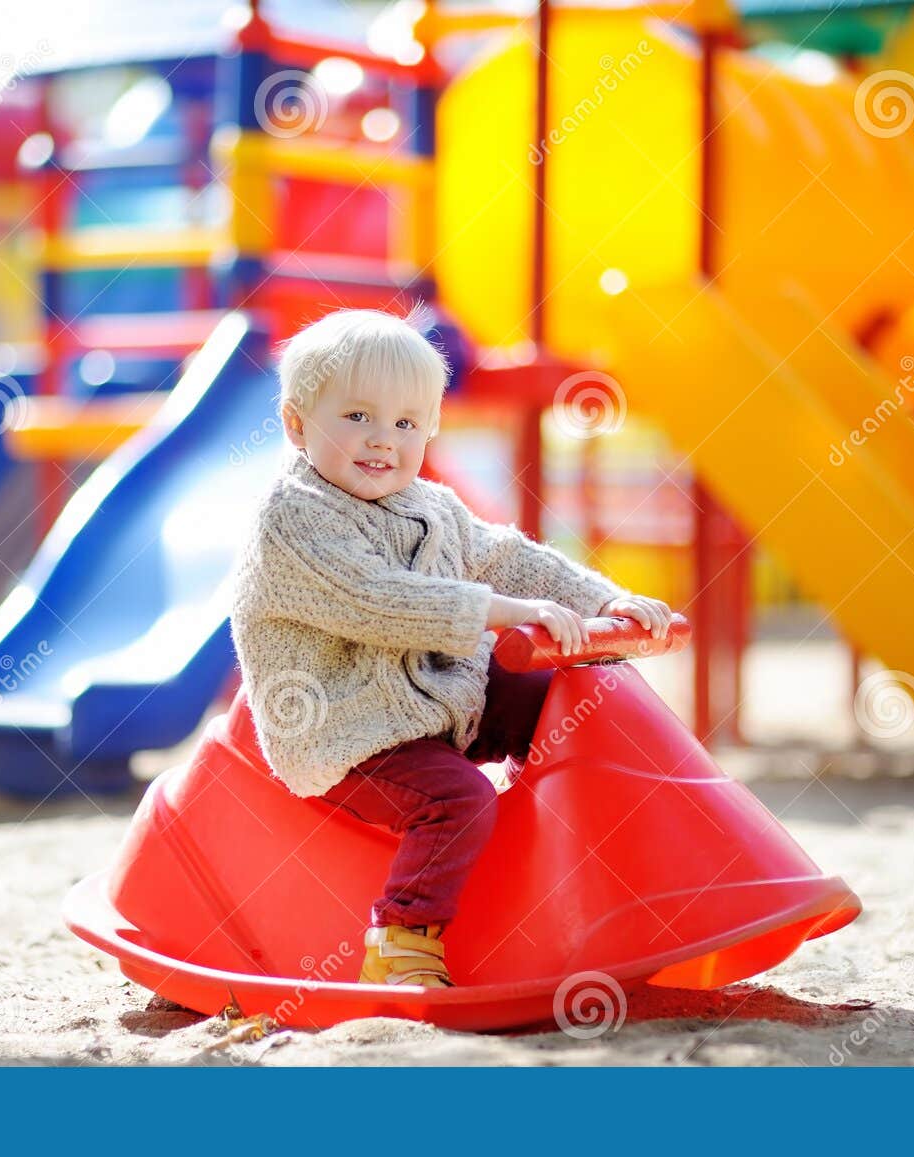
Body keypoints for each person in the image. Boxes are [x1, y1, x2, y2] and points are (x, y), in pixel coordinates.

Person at [229, 307, 672, 987]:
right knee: (459, 798)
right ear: (296, 424)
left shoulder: (431, 505)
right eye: (357, 418)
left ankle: (614, 865)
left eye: (406, 423)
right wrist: (499, 611)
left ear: (431, 426)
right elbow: (377, 599)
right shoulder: (291, 517)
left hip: (441, 697)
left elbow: (508, 557)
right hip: (349, 727)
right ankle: (400, 940)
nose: (384, 440)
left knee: (576, 687)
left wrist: (602, 601)